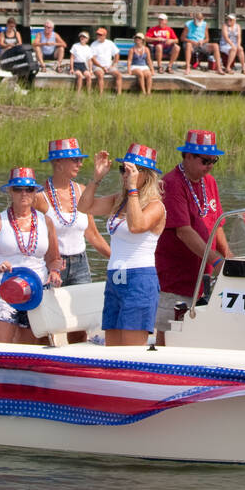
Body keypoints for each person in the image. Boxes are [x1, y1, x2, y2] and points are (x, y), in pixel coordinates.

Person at [79, 145, 166, 346]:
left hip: (139, 280)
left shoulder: (156, 205)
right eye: (123, 170)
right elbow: (84, 207)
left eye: (132, 171)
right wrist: (97, 178)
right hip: (115, 279)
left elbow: (137, 226)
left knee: (129, 353)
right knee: (112, 350)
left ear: (147, 175)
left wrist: (133, 189)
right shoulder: (119, 200)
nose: (126, 175)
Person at [154, 129, 231, 345]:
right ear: (188, 156)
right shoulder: (171, 183)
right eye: (205, 160)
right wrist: (216, 259)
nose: (209, 166)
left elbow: (218, 225)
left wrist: (229, 257)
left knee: (203, 329)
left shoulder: (210, 183)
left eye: (213, 160)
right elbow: (184, 231)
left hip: (206, 275)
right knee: (169, 330)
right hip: (177, 274)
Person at [0, 166, 62, 344]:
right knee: (1, 349)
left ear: (35, 192)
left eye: (29, 189)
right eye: (18, 189)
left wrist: (55, 272)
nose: (24, 194)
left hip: (35, 291)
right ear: (10, 191)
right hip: (3, 289)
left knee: (32, 349)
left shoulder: (46, 221)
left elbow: (54, 259)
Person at [34, 138, 110, 290]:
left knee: (81, 313)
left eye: (81, 159)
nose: (80, 164)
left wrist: (118, 259)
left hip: (81, 265)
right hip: (51, 266)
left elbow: (93, 235)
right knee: (51, 313)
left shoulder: (82, 190)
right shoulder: (38, 196)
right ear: (58, 163)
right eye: (75, 160)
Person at [89, 26, 123, 95]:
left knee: (119, 75)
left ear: (105, 35)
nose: (98, 36)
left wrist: (113, 65)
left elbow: (117, 54)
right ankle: (101, 94)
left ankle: (119, 94)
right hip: (97, 66)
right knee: (100, 75)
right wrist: (102, 67)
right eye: (97, 34)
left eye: (100, 35)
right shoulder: (93, 44)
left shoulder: (110, 43)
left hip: (109, 65)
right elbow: (93, 59)